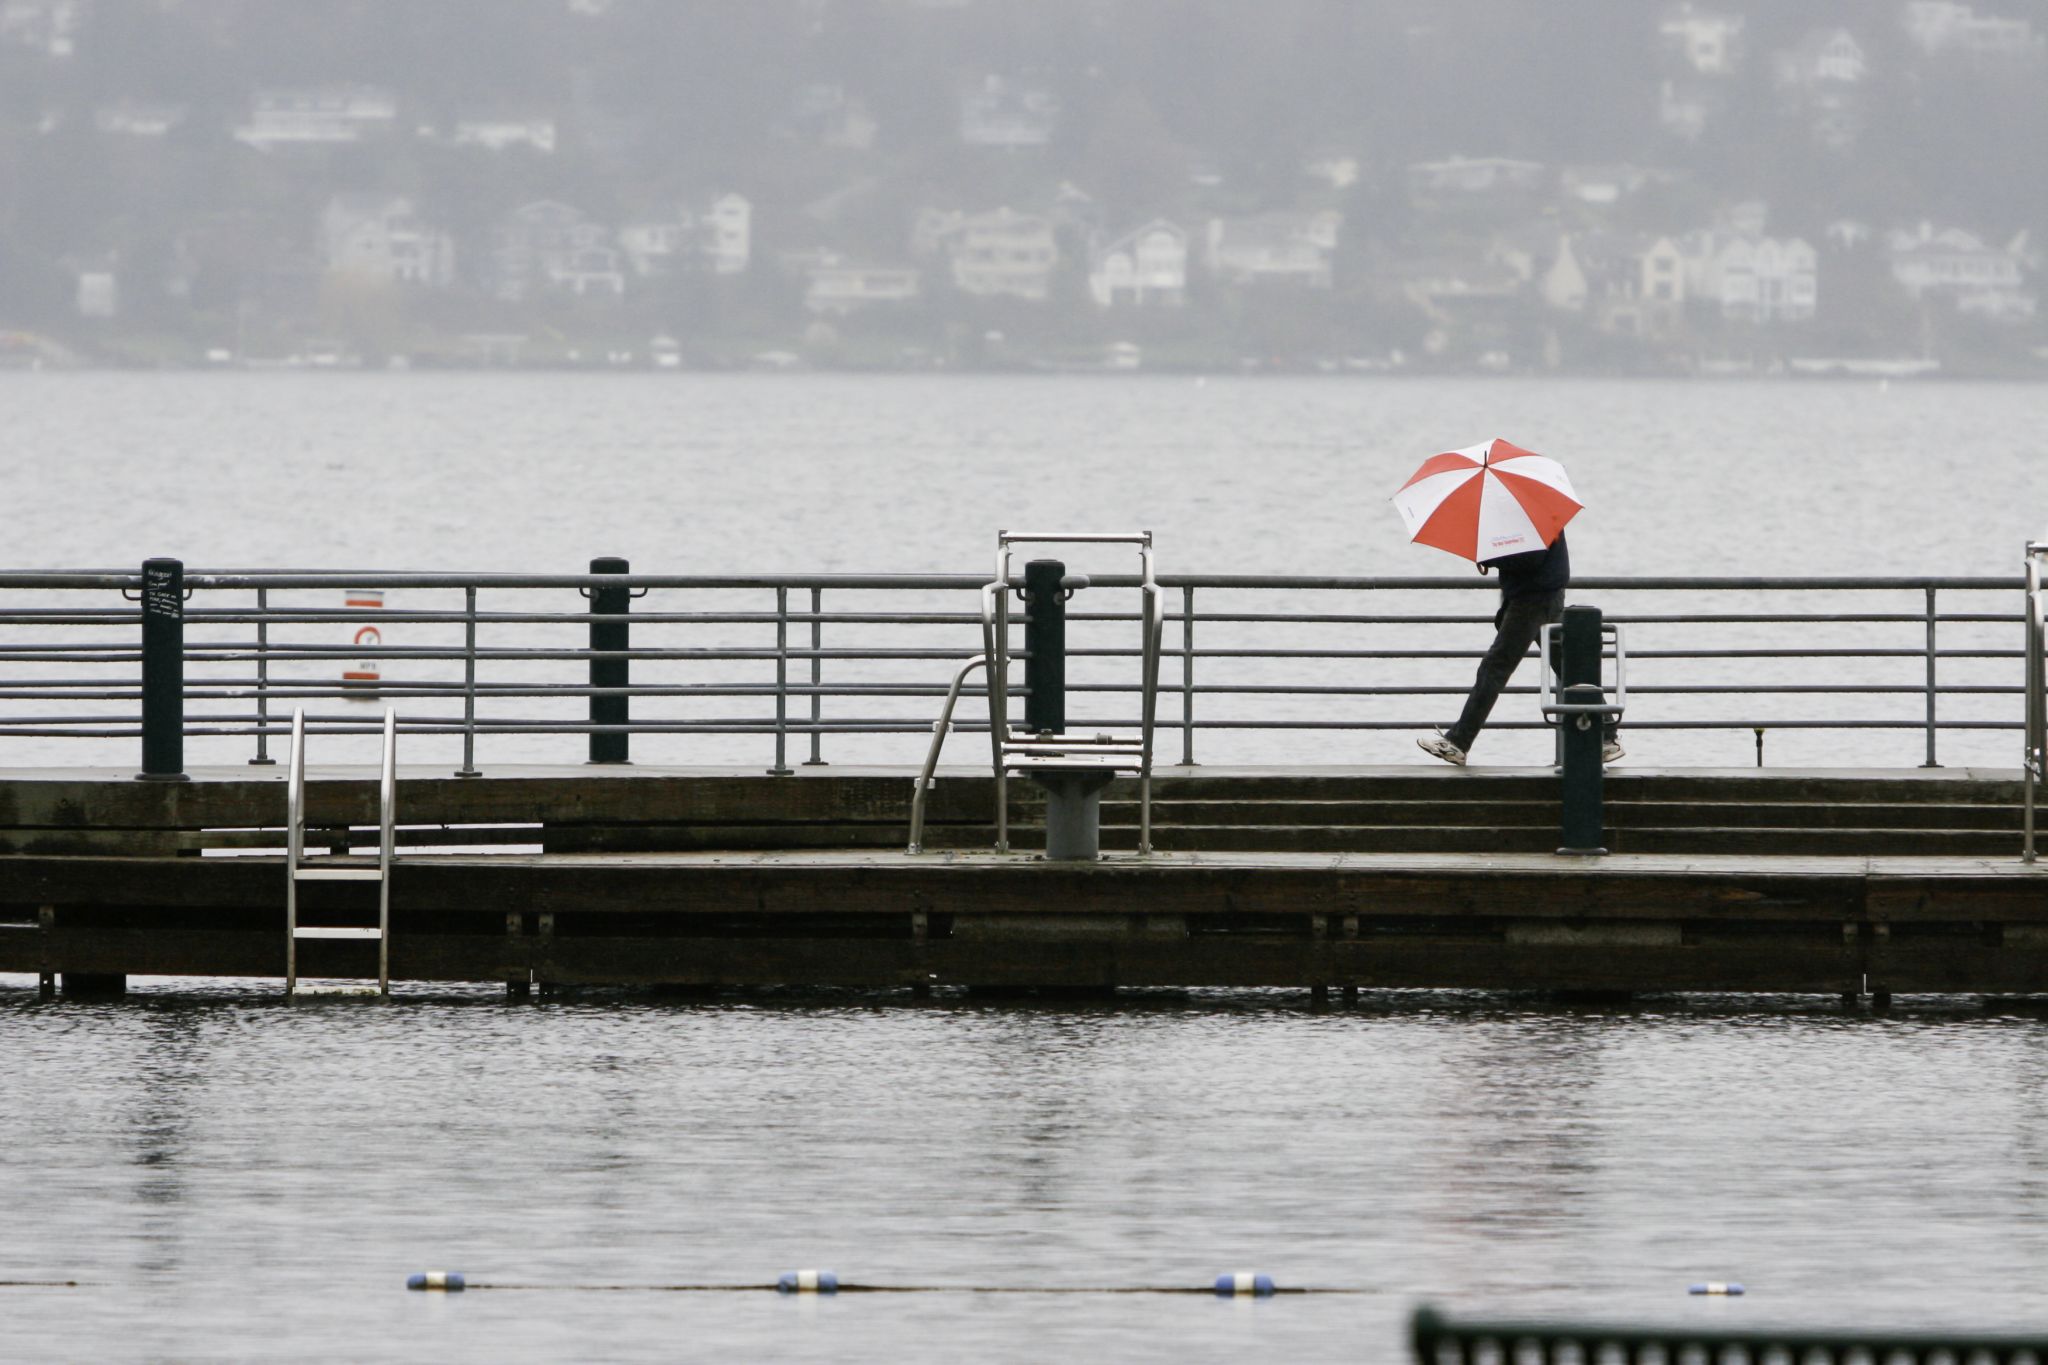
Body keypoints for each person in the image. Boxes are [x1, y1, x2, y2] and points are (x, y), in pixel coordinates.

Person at [1417, 530, 1621, 767]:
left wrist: (1490, 558)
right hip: (1547, 594)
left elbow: (1529, 558)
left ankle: (1459, 742)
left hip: (1531, 600)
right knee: (1567, 667)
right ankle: (1607, 736)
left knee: (1494, 668)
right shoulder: (1539, 512)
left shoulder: (1527, 519)